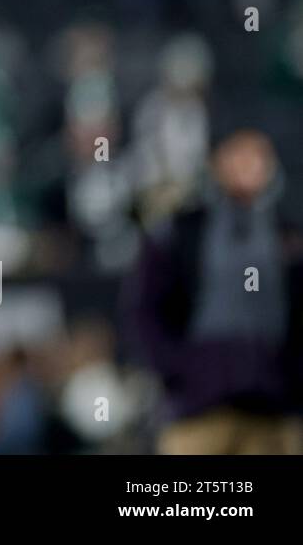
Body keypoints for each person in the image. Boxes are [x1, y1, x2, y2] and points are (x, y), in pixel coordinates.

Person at [125, 130, 303, 454]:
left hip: (275, 411)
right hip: (198, 409)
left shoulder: (288, 233)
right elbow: (145, 309)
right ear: (218, 161)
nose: (249, 166)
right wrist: (178, 368)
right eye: (239, 154)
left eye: (258, 155)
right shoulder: (182, 231)